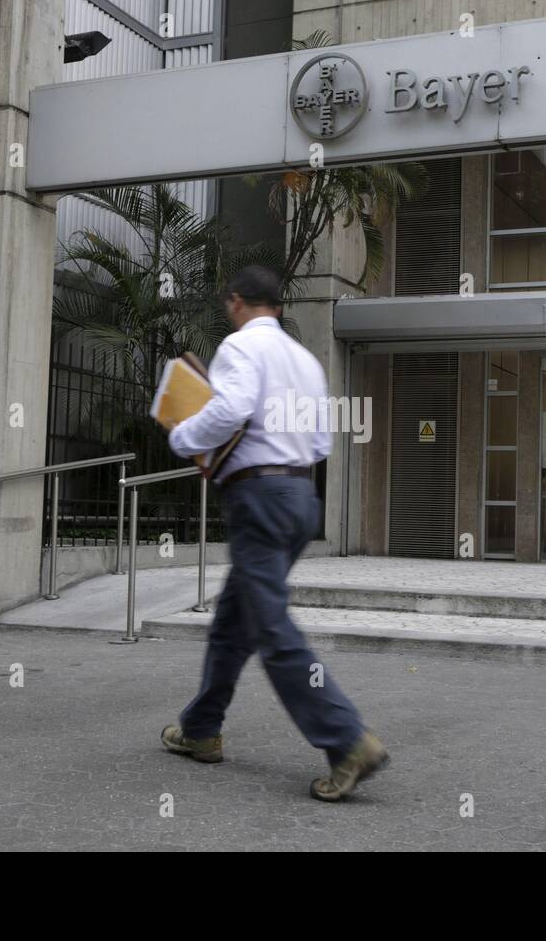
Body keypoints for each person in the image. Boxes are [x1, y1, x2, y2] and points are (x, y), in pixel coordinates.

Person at [159, 266, 388, 802]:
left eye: (228, 305)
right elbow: (321, 441)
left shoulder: (241, 348)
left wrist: (182, 435)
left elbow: (232, 409)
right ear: (279, 306)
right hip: (301, 498)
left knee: (272, 629)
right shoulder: (305, 361)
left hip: (258, 498)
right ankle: (200, 730)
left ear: (237, 302)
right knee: (235, 621)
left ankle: (348, 740)